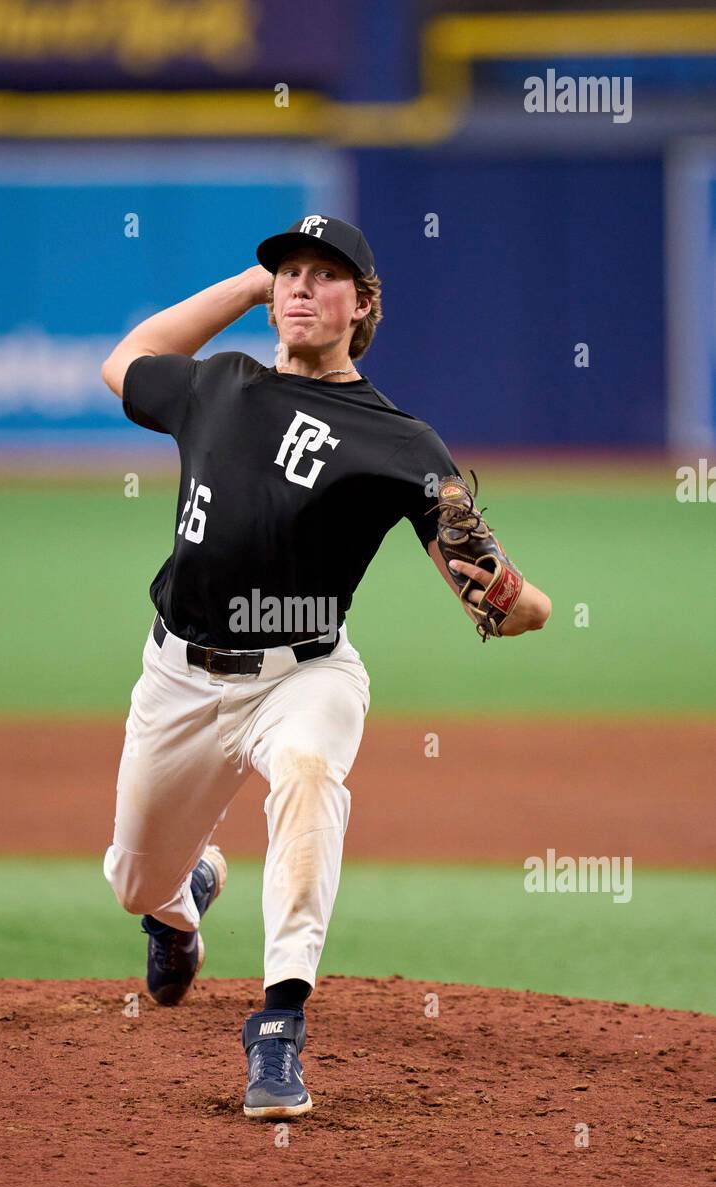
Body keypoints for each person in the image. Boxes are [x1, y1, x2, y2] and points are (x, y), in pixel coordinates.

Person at [100, 215, 551, 1119]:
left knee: (309, 776)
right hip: (179, 678)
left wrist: (510, 598)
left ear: (364, 304)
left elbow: (505, 606)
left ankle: (278, 1027)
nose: (302, 286)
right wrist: (244, 284)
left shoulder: (401, 444)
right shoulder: (218, 384)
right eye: (289, 273)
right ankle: (182, 903)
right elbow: (125, 361)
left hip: (305, 674)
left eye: (325, 275)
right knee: (133, 883)